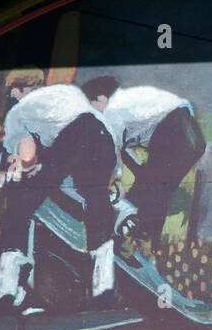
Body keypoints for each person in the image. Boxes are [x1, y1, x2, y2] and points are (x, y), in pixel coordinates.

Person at [0, 66, 119, 305]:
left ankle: (10, 289)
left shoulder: (16, 113)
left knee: (19, 204)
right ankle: (103, 287)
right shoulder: (66, 93)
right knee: (97, 203)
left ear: (16, 91)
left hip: (75, 136)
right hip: (104, 140)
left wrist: (23, 167)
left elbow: (28, 155)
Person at [84, 75, 204, 246]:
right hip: (192, 138)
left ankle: (134, 240)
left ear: (102, 98)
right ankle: (145, 242)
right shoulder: (129, 104)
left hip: (176, 130)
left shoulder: (112, 109)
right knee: (157, 192)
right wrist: (139, 170)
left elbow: (113, 152)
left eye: (92, 106)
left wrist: (111, 181)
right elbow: (124, 149)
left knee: (149, 191)